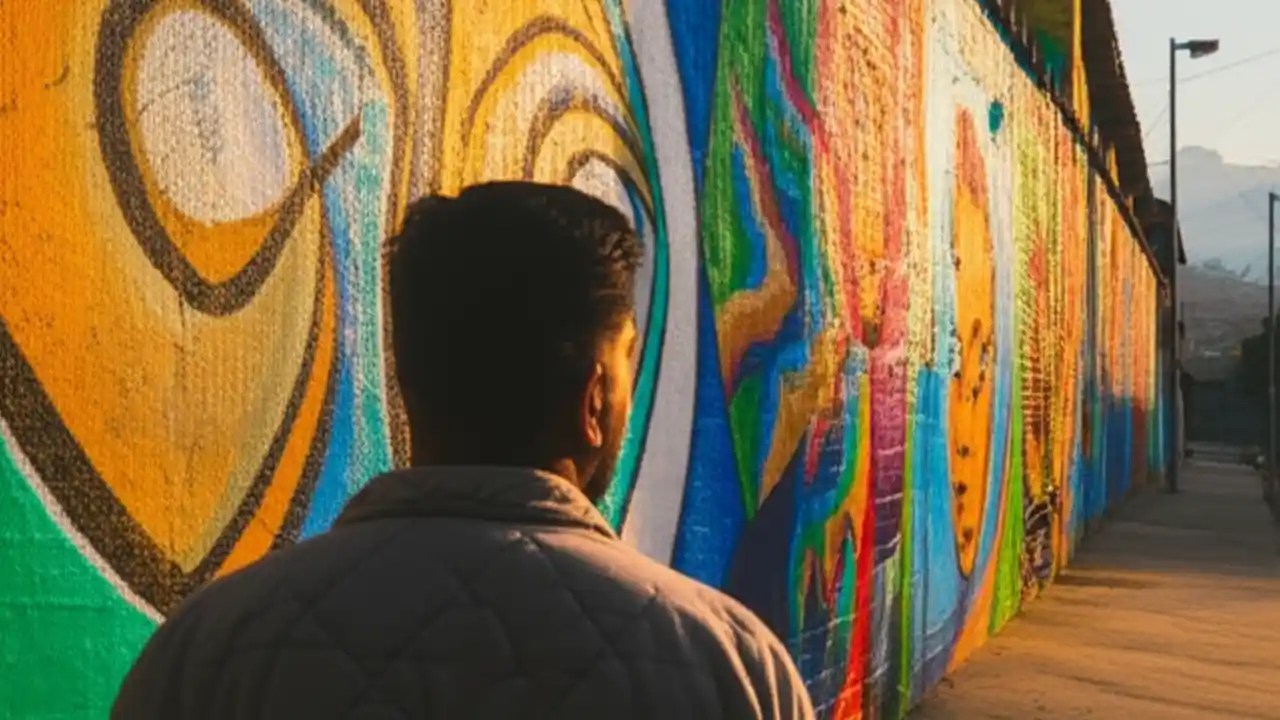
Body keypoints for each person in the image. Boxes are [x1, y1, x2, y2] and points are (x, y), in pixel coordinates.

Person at [112, 182, 815, 720]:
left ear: (412, 373)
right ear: (594, 397)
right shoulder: (732, 668)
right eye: (629, 359)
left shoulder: (206, 653)